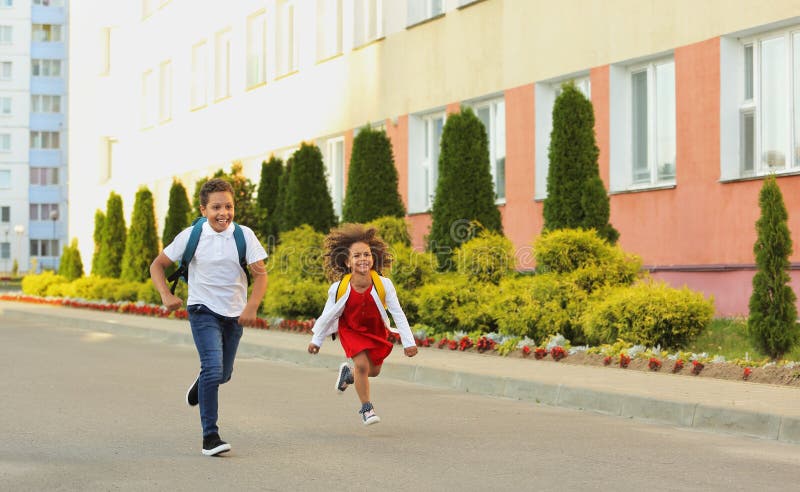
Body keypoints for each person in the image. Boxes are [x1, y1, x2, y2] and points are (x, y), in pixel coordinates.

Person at [150, 178, 268, 456]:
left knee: (222, 374)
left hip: (234, 314)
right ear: (203, 210)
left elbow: (261, 276)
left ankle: (201, 384)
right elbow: (158, 265)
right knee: (213, 369)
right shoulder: (191, 235)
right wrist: (166, 295)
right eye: (216, 207)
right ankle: (210, 437)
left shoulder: (244, 235)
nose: (223, 213)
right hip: (202, 310)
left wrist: (251, 306)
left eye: (228, 206)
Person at [307, 223, 418, 425]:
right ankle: (366, 408)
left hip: (375, 330)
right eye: (356, 256)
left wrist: (409, 342)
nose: (363, 259)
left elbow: (398, 313)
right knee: (362, 365)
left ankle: (348, 375)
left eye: (366, 254)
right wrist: (317, 340)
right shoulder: (338, 288)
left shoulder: (383, 285)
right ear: (348, 262)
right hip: (351, 329)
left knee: (373, 371)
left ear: (373, 258)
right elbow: (326, 316)